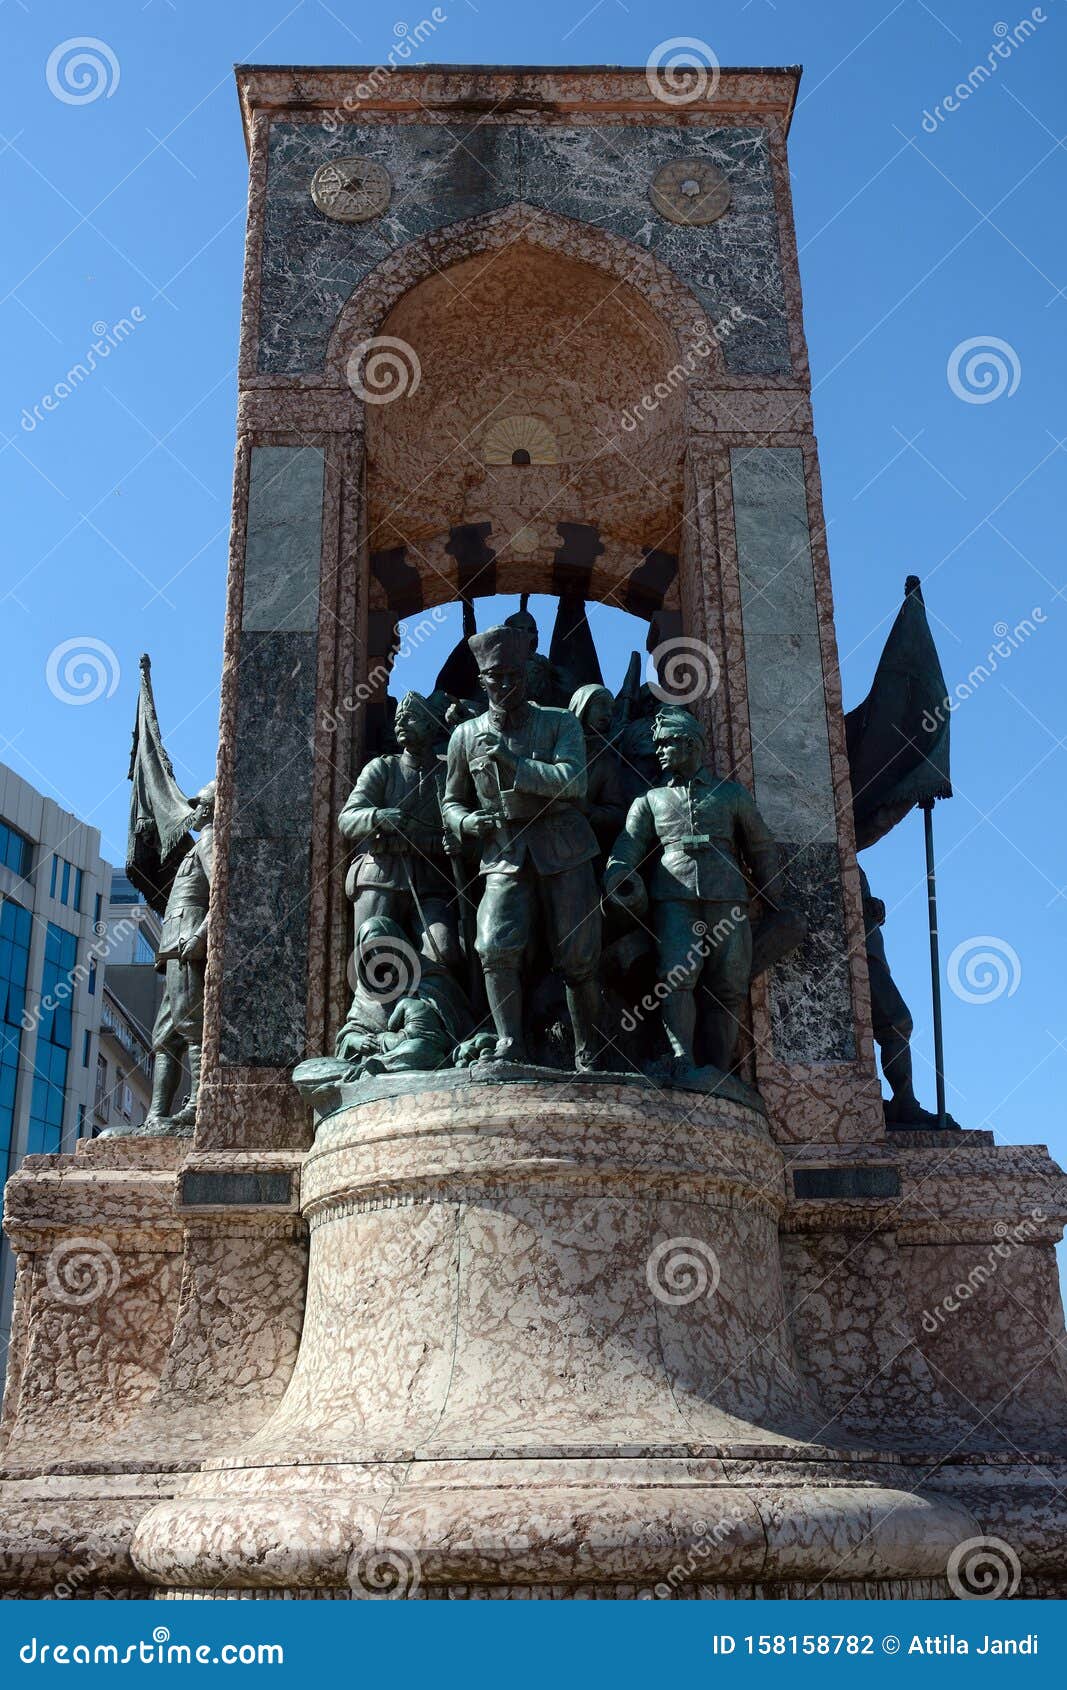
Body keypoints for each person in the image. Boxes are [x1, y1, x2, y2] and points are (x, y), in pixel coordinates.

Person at [442, 623, 604, 1069]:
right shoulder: (464, 736)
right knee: (493, 946)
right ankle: (510, 1044)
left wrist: (514, 762)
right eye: (497, 677)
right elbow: (451, 802)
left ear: (527, 675)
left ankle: (588, 1051)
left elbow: (574, 780)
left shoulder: (560, 723)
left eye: (515, 674)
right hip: (503, 851)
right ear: (483, 681)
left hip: (564, 847)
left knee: (578, 957)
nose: (507, 684)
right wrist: (467, 822)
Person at [605, 708, 781, 1076]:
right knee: (675, 978)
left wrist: (774, 895)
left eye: (667, 743)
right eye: (658, 745)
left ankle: (716, 1069)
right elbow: (628, 844)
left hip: (727, 898)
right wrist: (618, 874)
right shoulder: (650, 800)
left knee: (729, 984)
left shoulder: (731, 794)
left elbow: (760, 846)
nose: (660, 752)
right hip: (673, 897)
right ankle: (682, 1058)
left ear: (691, 744)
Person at [338, 691, 459, 973]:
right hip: (380, 874)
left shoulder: (446, 773)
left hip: (432, 881)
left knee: (445, 951)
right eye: (398, 719)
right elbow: (347, 819)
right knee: (373, 956)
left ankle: (427, 1010)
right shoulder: (382, 768)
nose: (401, 723)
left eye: (411, 717)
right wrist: (378, 817)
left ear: (431, 727)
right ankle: (375, 1014)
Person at [138, 782, 215, 1132]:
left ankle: (201, 1106)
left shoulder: (212, 841)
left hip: (187, 942)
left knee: (191, 1027)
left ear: (214, 806)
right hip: (174, 944)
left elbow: (224, 890)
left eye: (200, 802)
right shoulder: (198, 845)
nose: (194, 807)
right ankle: (157, 1116)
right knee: (165, 1036)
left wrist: (201, 937)